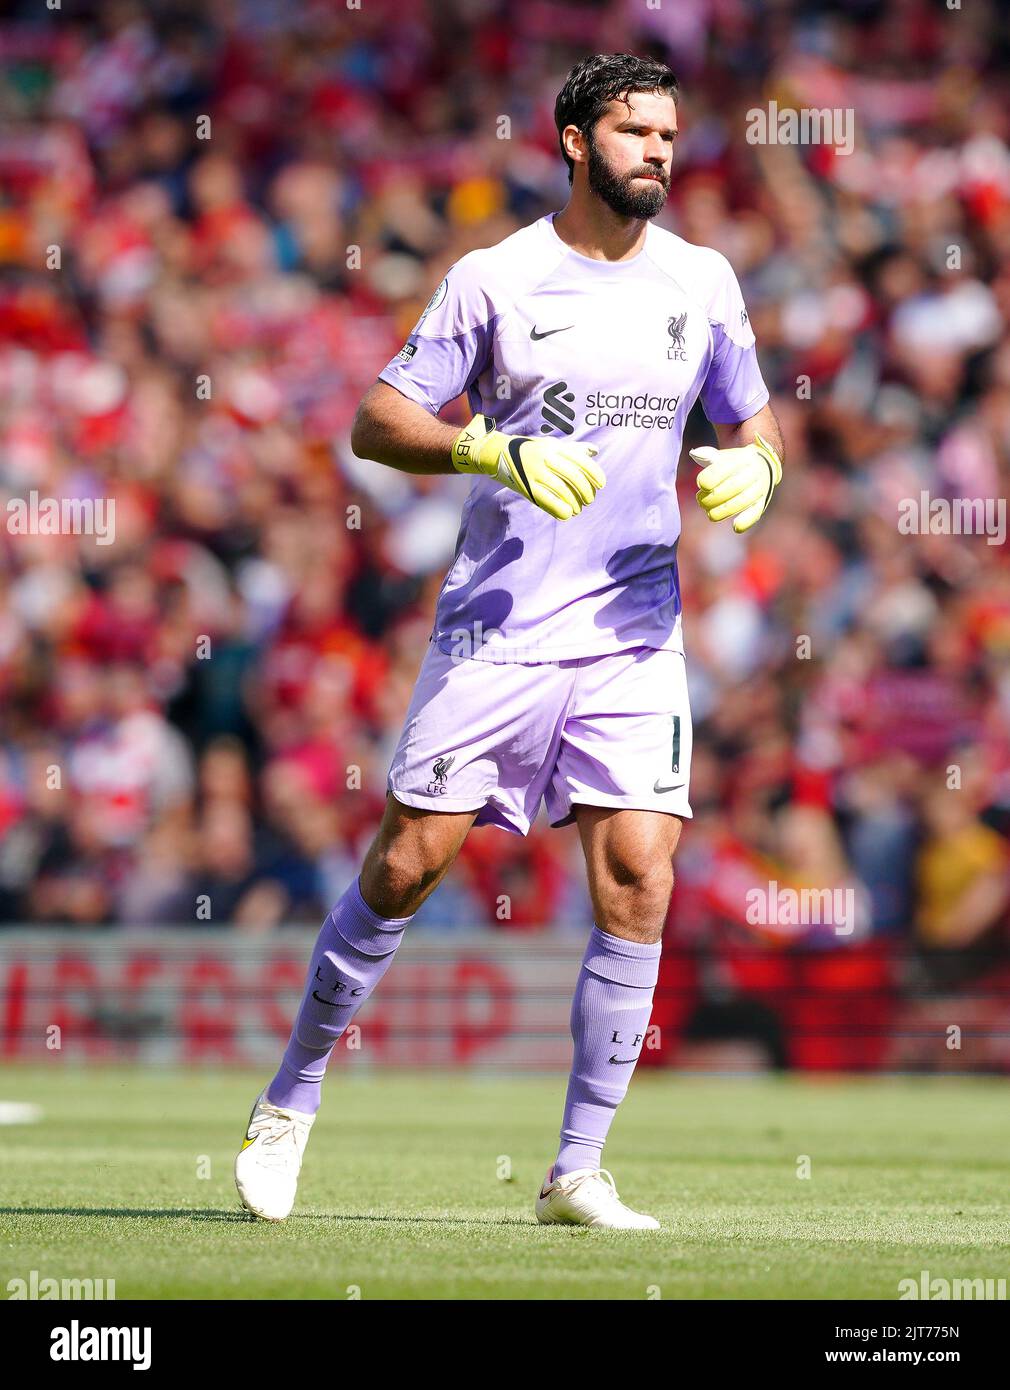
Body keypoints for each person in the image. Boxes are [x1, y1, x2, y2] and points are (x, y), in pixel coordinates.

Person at [234, 51, 784, 1230]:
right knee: (405, 864)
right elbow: (379, 420)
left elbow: (750, 414)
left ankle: (575, 1169)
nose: (659, 152)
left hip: (636, 629)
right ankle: (290, 1098)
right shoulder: (496, 277)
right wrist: (485, 448)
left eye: (670, 134)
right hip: (498, 624)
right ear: (576, 141)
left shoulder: (704, 280)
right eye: (634, 131)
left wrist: (760, 465)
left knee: (639, 871)